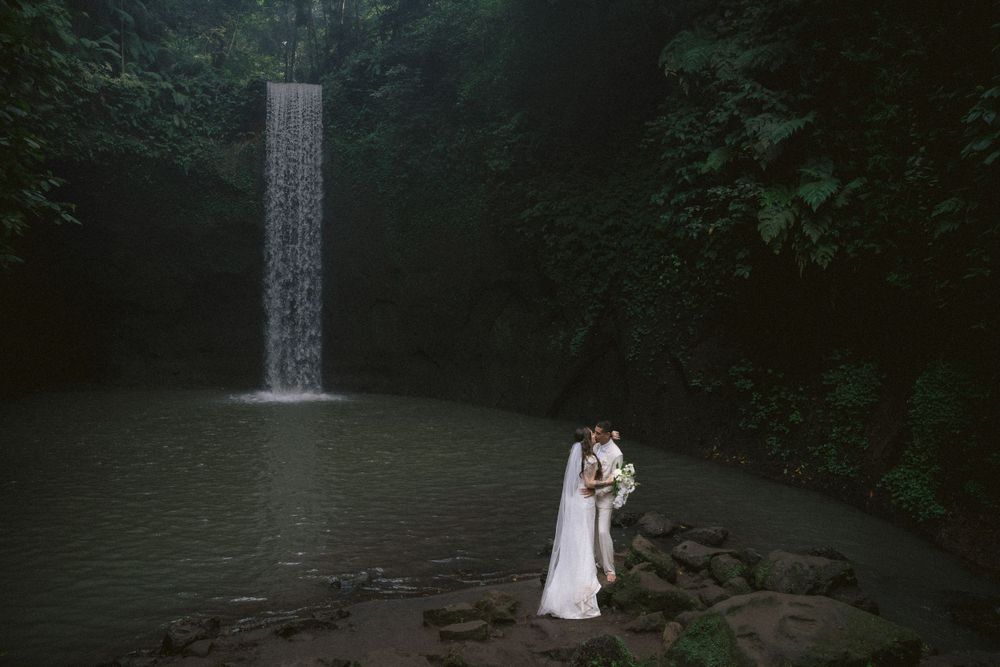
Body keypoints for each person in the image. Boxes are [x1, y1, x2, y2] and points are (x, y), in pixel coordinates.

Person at [537, 427, 604, 619]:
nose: (595, 436)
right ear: (587, 439)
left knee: (573, 543)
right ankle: (580, 593)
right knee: (583, 542)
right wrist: (611, 481)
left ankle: (561, 594)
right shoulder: (590, 459)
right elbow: (589, 484)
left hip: (575, 499)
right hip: (584, 502)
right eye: (592, 434)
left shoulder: (577, 453)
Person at [590, 421, 622, 582]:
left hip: (605, 499)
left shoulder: (617, 454)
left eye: (598, 433)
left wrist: (598, 491)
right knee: (593, 531)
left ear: (607, 434)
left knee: (603, 531)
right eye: (595, 432)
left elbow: (617, 481)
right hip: (591, 495)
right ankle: (597, 561)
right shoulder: (596, 446)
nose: (594, 435)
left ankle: (610, 569)